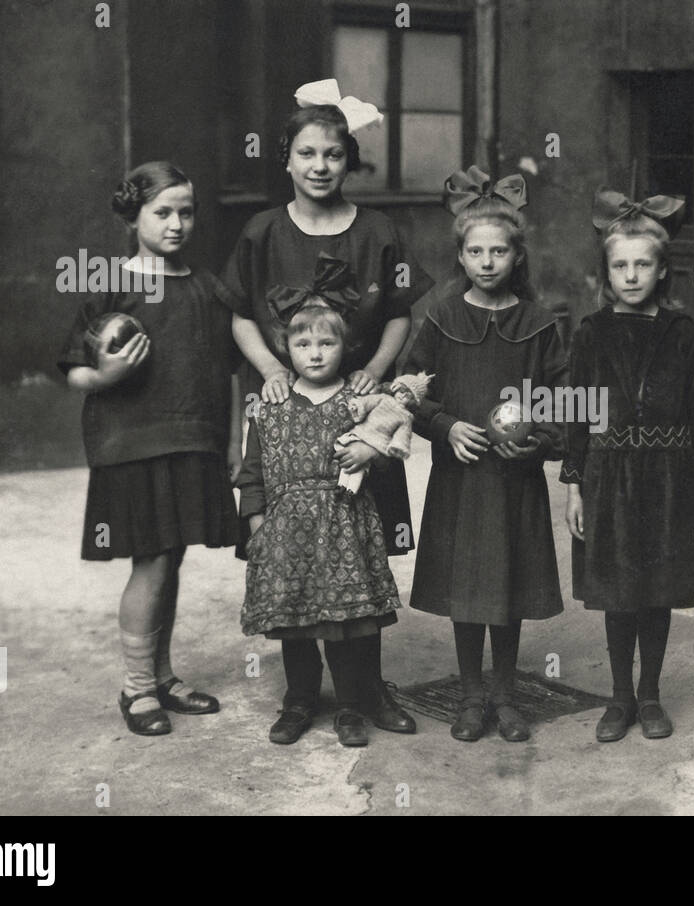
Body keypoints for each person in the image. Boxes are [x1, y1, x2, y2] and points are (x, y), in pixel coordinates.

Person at [223, 80, 429, 735]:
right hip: (290, 414)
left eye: (333, 154)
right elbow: (237, 315)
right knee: (294, 563)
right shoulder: (262, 232)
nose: (319, 166)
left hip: (356, 411)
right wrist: (271, 370)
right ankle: (299, 696)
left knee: (358, 559)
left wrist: (372, 368)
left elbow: (399, 313)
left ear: (348, 161)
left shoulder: (378, 231)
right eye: (306, 153)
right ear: (285, 158)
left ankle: (365, 693)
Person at [58, 162, 240, 736]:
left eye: (186, 211)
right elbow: (75, 374)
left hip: (194, 440)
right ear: (132, 217)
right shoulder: (110, 283)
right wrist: (106, 374)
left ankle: (159, 675)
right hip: (132, 444)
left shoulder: (209, 287)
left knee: (174, 557)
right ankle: (136, 689)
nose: (177, 223)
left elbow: (228, 371)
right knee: (154, 560)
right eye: (162, 212)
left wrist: (232, 442)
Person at [404, 166, 566, 743]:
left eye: (499, 251)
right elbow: (409, 390)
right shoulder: (442, 318)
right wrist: (445, 427)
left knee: (509, 584)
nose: (488, 262)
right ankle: (470, 696)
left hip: (515, 478)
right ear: (462, 256)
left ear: (517, 257)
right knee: (466, 585)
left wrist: (538, 440)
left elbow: (560, 399)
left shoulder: (540, 324)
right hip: (462, 476)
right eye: (476, 252)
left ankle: (506, 694)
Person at [561, 189, 694, 742]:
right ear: (606, 271)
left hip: (669, 478)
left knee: (658, 585)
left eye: (642, 264)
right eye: (620, 265)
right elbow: (575, 411)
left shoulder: (682, 333)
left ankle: (651, 693)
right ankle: (620, 697)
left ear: (661, 269)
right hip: (609, 476)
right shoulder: (591, 332)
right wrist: (574, 482)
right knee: (620, 589)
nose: (631, 275)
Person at [238, 257, 405, 747]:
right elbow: (252, 474)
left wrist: (370, 449)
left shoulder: (357, 401)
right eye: (302, 343)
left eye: (326, 343)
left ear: (346, 345)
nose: (314, 354)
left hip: (345, 526)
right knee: (296, 622)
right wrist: (258, 531)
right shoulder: (268, 406)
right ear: (284, 347)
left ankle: (352, 705)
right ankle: (299, 701)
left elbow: (394, 446)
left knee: (347, 624)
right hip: (287, 532)